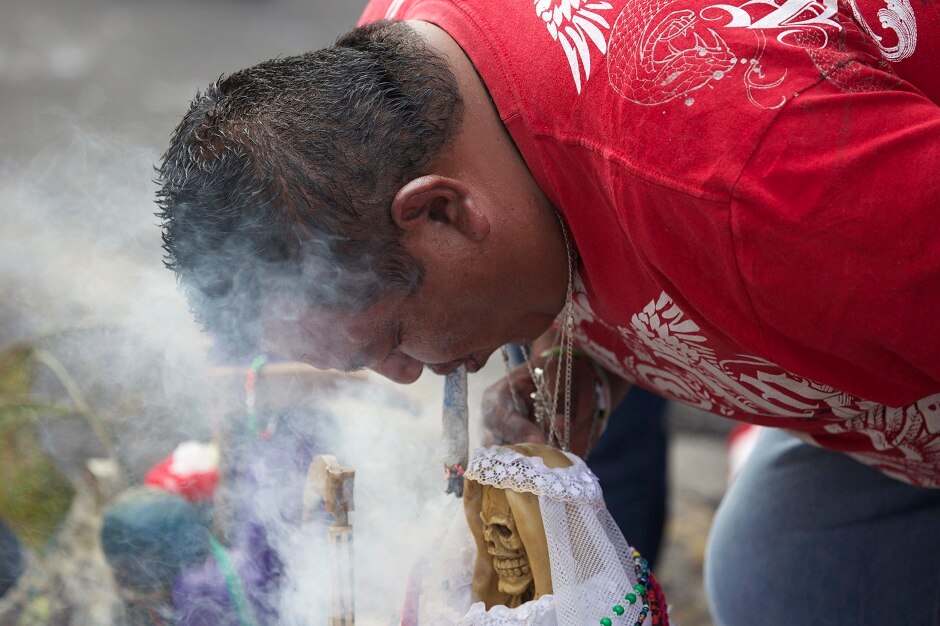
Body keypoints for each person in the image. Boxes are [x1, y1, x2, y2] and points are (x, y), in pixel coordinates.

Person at [155, 0, 940, 622]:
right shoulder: (398, 75)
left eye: (392, 339)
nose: (405, 376)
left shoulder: (757, 186)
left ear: (444, 213)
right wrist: (592, 362)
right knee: (782, 566)